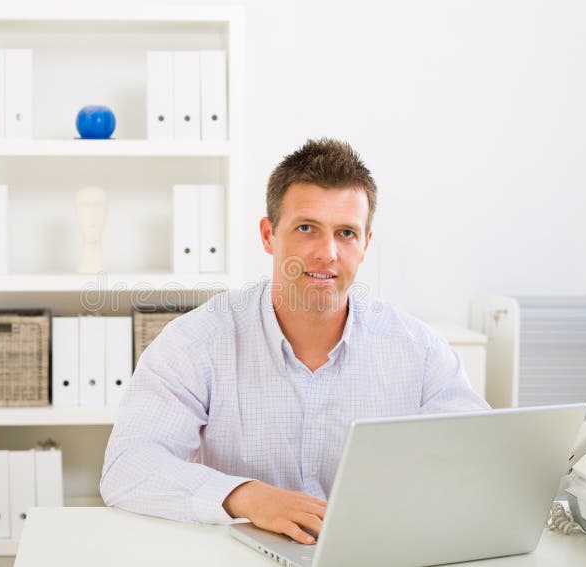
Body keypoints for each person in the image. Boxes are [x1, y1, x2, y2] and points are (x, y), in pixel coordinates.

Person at [100, 138, 489, 545]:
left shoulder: (419, 351)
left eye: (346, 233)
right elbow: (128, 467)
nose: (328, 253)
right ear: (269, 235)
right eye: (307, 228)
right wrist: (245, 496)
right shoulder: (196, 342)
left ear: (365, 245)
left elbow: (481, 461)